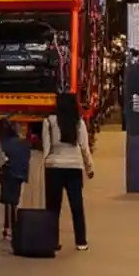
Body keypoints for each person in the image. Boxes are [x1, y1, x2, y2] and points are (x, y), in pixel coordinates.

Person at [42, 92, 94, 251]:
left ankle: (52, 241)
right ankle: (81, 241)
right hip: (74, 167)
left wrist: (45, 165)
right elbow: (85, 148)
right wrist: (89, 168)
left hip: (54, 168)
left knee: (52, 208)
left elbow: (46, 147)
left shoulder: (49, 122)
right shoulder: (78, 123)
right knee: (77, 205)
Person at [0, 117, 30, 240]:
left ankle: (8, 229)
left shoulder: (3, 143)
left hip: (8, 174)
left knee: (8, 203)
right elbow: (26, 159)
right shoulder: (24, 144)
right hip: (19, 175)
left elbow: (4, 159)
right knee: (15, 202)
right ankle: (15, 228)